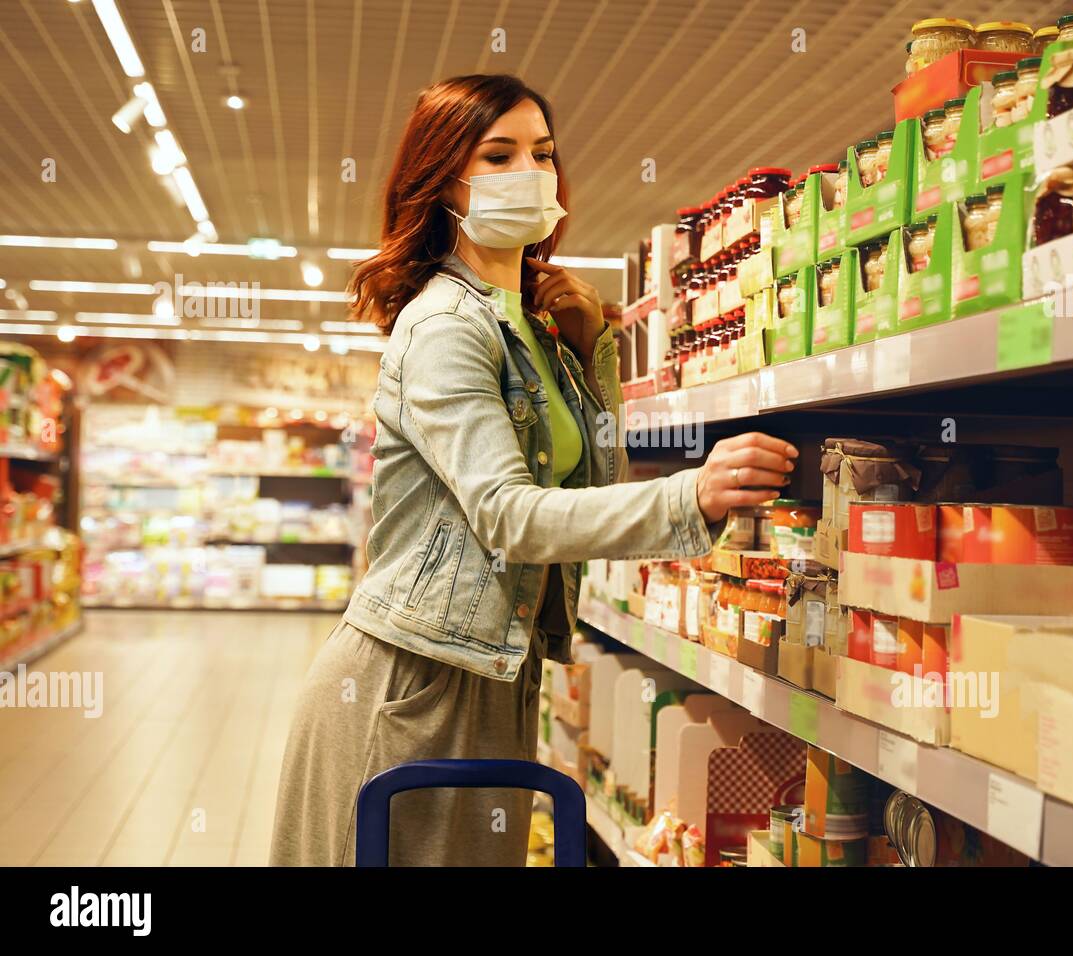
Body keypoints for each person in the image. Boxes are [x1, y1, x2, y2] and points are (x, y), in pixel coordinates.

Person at [269, 73, 797, 867]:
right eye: (499, 154)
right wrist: (691, 495)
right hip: (411, 687)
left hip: (494, 675)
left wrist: (596, 353)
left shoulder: (538, 327)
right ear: (442, 178)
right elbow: (509, 516)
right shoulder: (445, 326)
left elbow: (595, 491)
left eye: (544, 153)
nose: (532, 173)